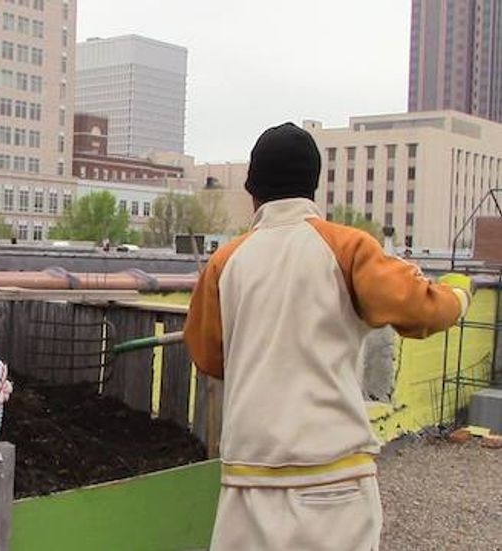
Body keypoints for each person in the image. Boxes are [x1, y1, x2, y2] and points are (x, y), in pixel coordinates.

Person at [184, 122, 471, 551]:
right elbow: (419, 310)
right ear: (312, 188)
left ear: (252, 191)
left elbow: (208, 355)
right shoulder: (347, 247)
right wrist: (460, 293)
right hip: (333, 479)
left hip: (247, 482)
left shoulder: (225, 262)